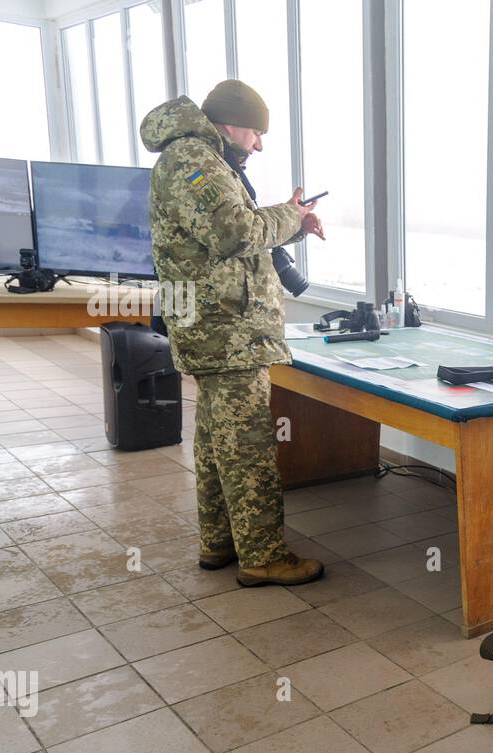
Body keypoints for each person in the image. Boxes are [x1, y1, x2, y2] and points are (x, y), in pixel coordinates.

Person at [140, 80, 325, 586]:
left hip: (220, 329)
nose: (258, 145)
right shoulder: (192, 160)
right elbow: (234, 232)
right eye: (255, 133)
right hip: (225, 332)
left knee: (217, 440)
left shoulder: (200, 158)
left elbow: (229, 231)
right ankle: (263, 557)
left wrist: (292, 222)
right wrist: (291, 215)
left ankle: (220, 542)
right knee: (247, 447)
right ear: (230, 123)